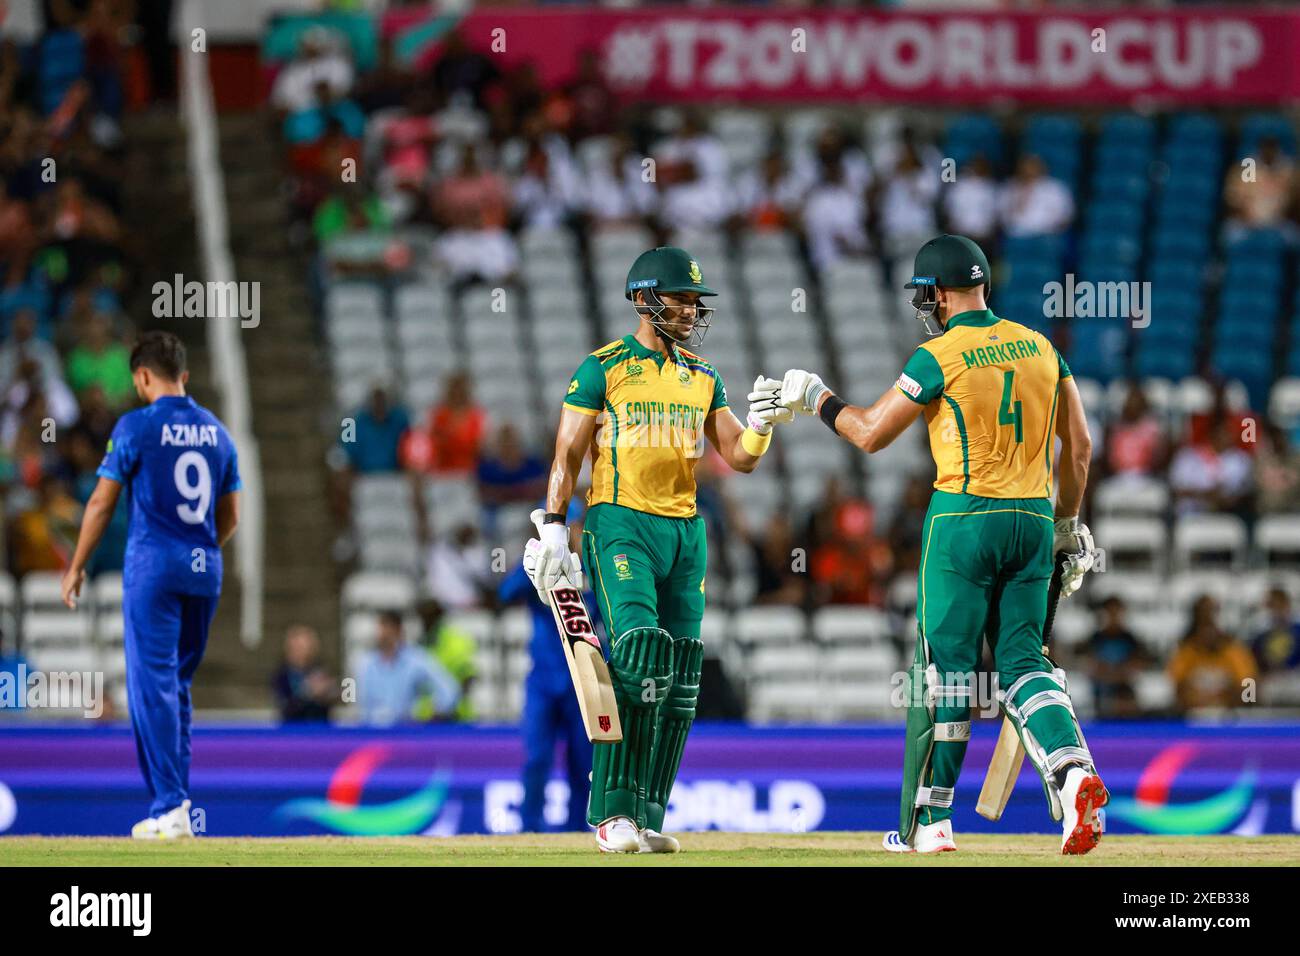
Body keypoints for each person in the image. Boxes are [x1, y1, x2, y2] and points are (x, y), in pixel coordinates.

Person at [773, 234, 1105, 855]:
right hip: (1034, 518)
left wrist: (817, 398)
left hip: (964, 518)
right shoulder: (1041, 347)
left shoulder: (938, 354)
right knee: (1024, 664)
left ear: (938, 293)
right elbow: (1079, 449)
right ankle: (1072, 772)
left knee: (946, 673)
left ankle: (930, 823)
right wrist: (1068, 523)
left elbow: (870, 433)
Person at [524, 246, 791, 853]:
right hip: (619, 523)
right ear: (646, 299)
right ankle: (610, 810)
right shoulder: (604, 366)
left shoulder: (703, 375)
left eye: (697, 300)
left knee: (681, 673)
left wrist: (764, 423)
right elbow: (567, 452)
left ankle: (645, 813)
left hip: (685, 530)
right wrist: (554, 525)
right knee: (640, 651)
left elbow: (740, 457)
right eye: (684, 298)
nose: (694, 309)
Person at [59, 332, 241, 839]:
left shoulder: (135, 426)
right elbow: (231, 515)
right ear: (184, 375)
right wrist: (199, 551)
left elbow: (100, 502)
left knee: (150, 685)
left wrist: (76, 565)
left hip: (154, 569)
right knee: (177, 685)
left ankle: (169, 806)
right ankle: (177, 806)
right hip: (204, 569)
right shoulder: (218, 432)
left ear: (142, 376)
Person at [500, 501, 596, 832]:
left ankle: (577, 828)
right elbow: (505, 592)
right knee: (537, 758)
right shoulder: (535, 565)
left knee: (582, 762)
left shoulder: (591, 565)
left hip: (581, 681)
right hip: (543, 680)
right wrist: (538, 565)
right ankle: (529, 828)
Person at [358, 610, 460, 726]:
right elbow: (362, 705)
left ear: (398, 631)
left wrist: (432, 717)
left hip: (406, 733)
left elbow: (449, 689)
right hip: (373, 735)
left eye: (387, 630)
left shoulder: (417, 659)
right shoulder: (367, 663)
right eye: (381, 630)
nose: (382, 635)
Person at [1168, 595, 1257, 713]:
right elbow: (1178, 688)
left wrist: (1230, 699)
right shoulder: (1186, 652)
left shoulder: (1234, 651)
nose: (1208, 633)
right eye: (1203, 625)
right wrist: (1202, 701)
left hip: (1232, 716)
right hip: (1194, 716)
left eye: (1211, 625)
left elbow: (1250, 687)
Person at [1081, 596, 1149, 718]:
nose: (1113, 617)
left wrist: (1115, 674)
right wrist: (1111, 674)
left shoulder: (1130, 639)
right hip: (1100, 691)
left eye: (1116, 612)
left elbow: (1135, 667)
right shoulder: (1095, 639)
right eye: (1110, 613)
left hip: (1124, 691)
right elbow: (1091, 667)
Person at [272, 624, 336, 723]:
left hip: (320, 729)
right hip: (293, 730)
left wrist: (327, 692)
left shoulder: (320, 671)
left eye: (305, 647)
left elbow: (331, 702)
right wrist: (308, 692)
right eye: (298, 647)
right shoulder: (282, 675)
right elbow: (285, 705)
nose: (302, 651)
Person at [1250, 587, 1300, 675]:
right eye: (1272, 606)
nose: (1276, 610)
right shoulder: (1260, 630)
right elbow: (1254, 655)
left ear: (1287, 604)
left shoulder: (1297, 628)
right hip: (1269, 676)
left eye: (1280, 605)